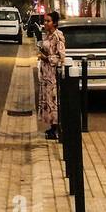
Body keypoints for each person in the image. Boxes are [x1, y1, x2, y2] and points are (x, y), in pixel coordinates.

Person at [36, 10, 66, 141]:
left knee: (53, 101)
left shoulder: (58, 36)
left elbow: (61, 56)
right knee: (48, 101)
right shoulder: (48, 36)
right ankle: (52, 127)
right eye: (45, 21)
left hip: (53, 74)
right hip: (46, 74)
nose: (45, 23)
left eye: (48, 21)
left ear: (54, 23)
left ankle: (57, 128)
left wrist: (46, 58)